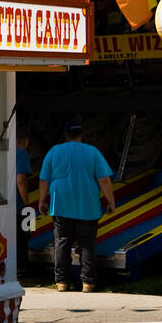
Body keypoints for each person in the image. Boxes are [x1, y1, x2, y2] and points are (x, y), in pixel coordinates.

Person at [38, 119, 116, 293]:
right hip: (87, 204)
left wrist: (42, 200)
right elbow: (103, 179)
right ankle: (88, 283)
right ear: (82, 134)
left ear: (66, 135)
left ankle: (61, 283)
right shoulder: (93, 152)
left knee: (62, 243)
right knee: (87, 244)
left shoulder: (54, 151)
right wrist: (111, 201)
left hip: (61, 203)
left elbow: (44, 178)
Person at [14, 127, 33, 282]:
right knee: (23, 237)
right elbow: (20, 179)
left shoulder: (3, 152)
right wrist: (26, 203)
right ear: (24, 141)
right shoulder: (21, 153)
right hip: (19, 206)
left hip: (5, 205)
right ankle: (22, 272)